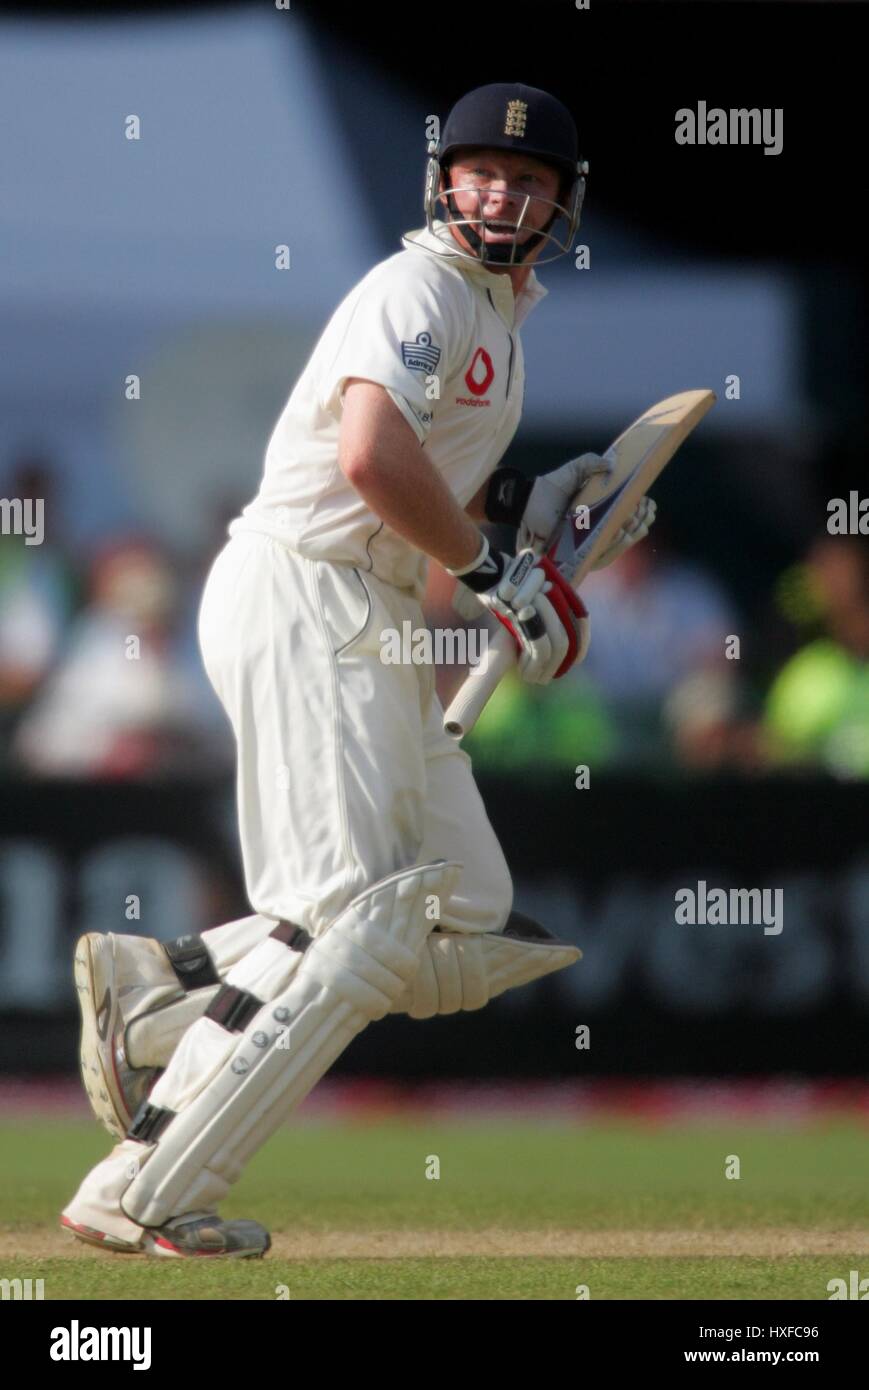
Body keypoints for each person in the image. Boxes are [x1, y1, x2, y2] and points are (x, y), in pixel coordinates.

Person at [61, 83, 654, 1258]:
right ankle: (147, 1183)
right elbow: (372, 456)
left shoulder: (496, 319)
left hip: (366, 606)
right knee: (348, 912)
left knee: (461, 907)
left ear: (560, 204)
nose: (504, 192)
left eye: (528, 180)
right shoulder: (417, 288)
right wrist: (498, 575)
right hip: (305, 590)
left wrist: (533, 512)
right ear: (444, 181)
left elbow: (433, 473)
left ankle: (158, 985)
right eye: (484, 170)